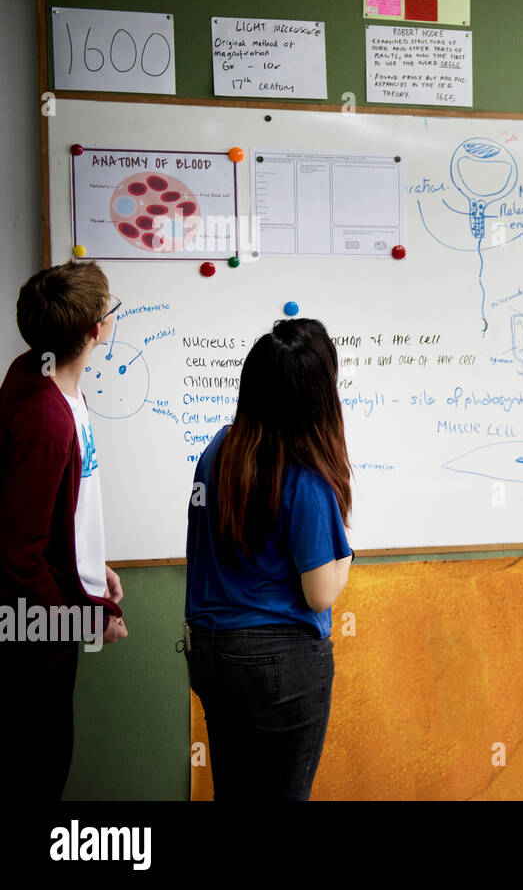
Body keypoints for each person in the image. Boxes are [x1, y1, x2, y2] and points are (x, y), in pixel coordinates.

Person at [184, 318, 353, 800]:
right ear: (319, 394)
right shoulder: (306, 473)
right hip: (279, 663)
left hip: (214, 654)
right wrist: (346, 556)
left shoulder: (218, 450)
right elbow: (319, 591)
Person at [0, 260, 126, 799]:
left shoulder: (36, 372)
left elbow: (52, 510)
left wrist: (91, 566)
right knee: (41, 770)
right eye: (110, 309)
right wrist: (83, 618)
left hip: (52, 612)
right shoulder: (46, 420)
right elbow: (16, 554)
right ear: (96, 331)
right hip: (35, 638)